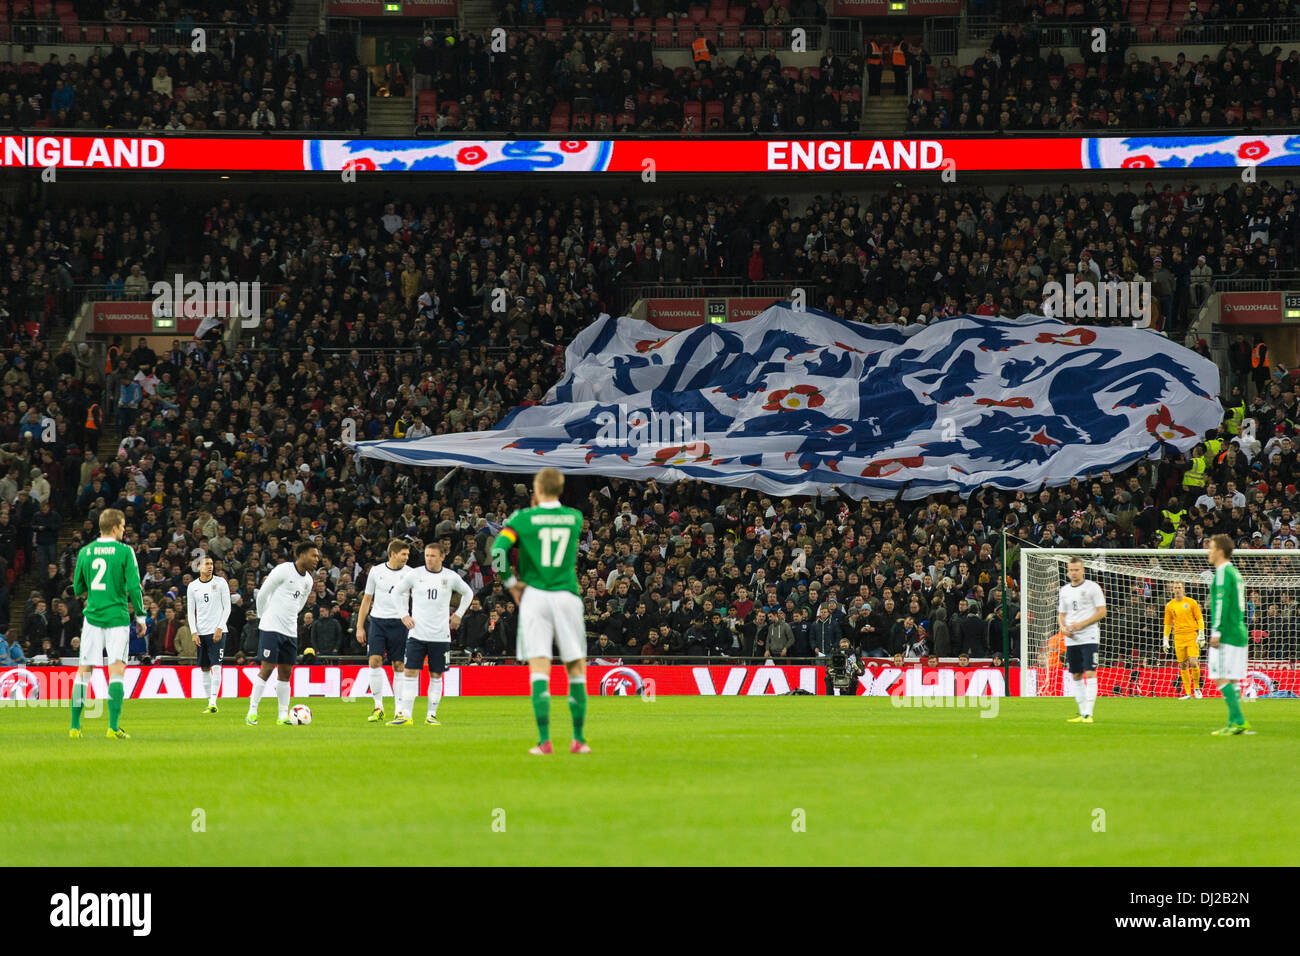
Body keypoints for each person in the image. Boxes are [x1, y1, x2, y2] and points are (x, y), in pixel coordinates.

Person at [490, 467, 590, 755]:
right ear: (560, 489)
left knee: (539, 667)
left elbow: (498, 551)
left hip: (534, 596)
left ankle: (545, 741)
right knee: (575, 667)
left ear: (536, 489)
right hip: (567, 594)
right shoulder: (574, 518)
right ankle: (578, 740)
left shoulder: (522, 519)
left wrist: (511, 584)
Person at [70, 508, 144, 739]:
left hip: (92, 618)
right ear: (114, 527)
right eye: (122, 527)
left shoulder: (85, 552)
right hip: (117, 618)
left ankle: (74, 727)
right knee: (116, 670)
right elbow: (134, 586)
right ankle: (112, 727)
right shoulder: (125, 552)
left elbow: (77, 588)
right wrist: (141, 616)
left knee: (84, 671)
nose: (124, 531)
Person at [390, 543, 473, 726]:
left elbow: (468, 593)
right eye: (427, 555)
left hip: (440, 636)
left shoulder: (450, 577)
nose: (429, 559)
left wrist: (458, 614)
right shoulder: (416, 574)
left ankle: (431, 715)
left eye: (433, 556)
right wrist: (403, 615)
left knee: (436, 675)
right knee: (410, 672)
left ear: (443, 557)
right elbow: (396, 593)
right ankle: (405, 715)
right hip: (417, 634)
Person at [246, 542, 319, 726]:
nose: (316, 560)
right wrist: (264, 618)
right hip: (271, 627)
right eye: (313, 555)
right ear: (301, 555)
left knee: (286, 672)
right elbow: (263, 594)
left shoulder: (308, 580)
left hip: (290, 631)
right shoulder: (283, 570)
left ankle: (282, 715)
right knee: (267, 668)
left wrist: (290, 616)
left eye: (317, 556)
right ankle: (252, 711)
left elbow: (300, 604)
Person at [355, 539, 414, 722]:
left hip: (400, 623)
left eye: (407, 555)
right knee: (374, 660)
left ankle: (399, 710)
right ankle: (378, 706)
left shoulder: (410, 573)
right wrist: (359, 626)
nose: (406, 558)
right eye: (403, 554)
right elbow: (367, 599)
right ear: (393, 554)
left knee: (399, 666)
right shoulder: (376, 571)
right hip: (378, 622)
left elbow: (419, 599)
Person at [1206, 534, 1254, 735]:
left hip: (1226, 633)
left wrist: (1216, 631)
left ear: (1220, 551)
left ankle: (1239, 720)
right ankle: (1234, 723)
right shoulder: (1235, 572)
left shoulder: (1223, 571)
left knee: (1218, 676)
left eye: (1211, 547)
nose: (1208, 551)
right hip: (1239, 632)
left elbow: (1221, 603)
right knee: (1233, 679)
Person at [1057, 555, 1107, 723]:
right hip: (1071, 638)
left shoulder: (1093, 588)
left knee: (1091, 672)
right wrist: (1064, 628)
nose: (1074, 573)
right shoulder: (1064, 590)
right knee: (1076, 674)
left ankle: (1089, 713)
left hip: (1089, 636)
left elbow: (1102, 612)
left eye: (1077, 570)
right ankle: (1082, 712)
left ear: (1083, 570)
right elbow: (1061, 614)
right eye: (1071, 570)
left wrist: (1082, 625)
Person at [187, 556, 232, 714]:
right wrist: (194, 632)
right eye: (206, 564)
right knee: (205, 668)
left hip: (217, 632)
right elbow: (191, 612)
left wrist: (220, 627)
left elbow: (227, 608)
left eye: (212, 564)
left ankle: (213, 701)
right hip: (201, 632)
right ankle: (209, 703)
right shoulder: (193, 586)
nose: (210, 566)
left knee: (216, 666)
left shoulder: (220, 583)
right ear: (198, 567)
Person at [1162, 580, 1204, 700]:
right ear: (1173, 590)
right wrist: (1165, 639)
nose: (1177, 589)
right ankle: (1187, 693)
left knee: (1193, 662)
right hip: (1178, 637)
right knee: (1183, 665)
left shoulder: (1191, 602)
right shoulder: (1170, 605)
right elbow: (1168, 624)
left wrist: (1201, 633)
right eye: (1175, 587)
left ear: (1183, 589)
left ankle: (1196, 688)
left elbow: (1199, 619)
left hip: (1191, 635)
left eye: (1179, 587)